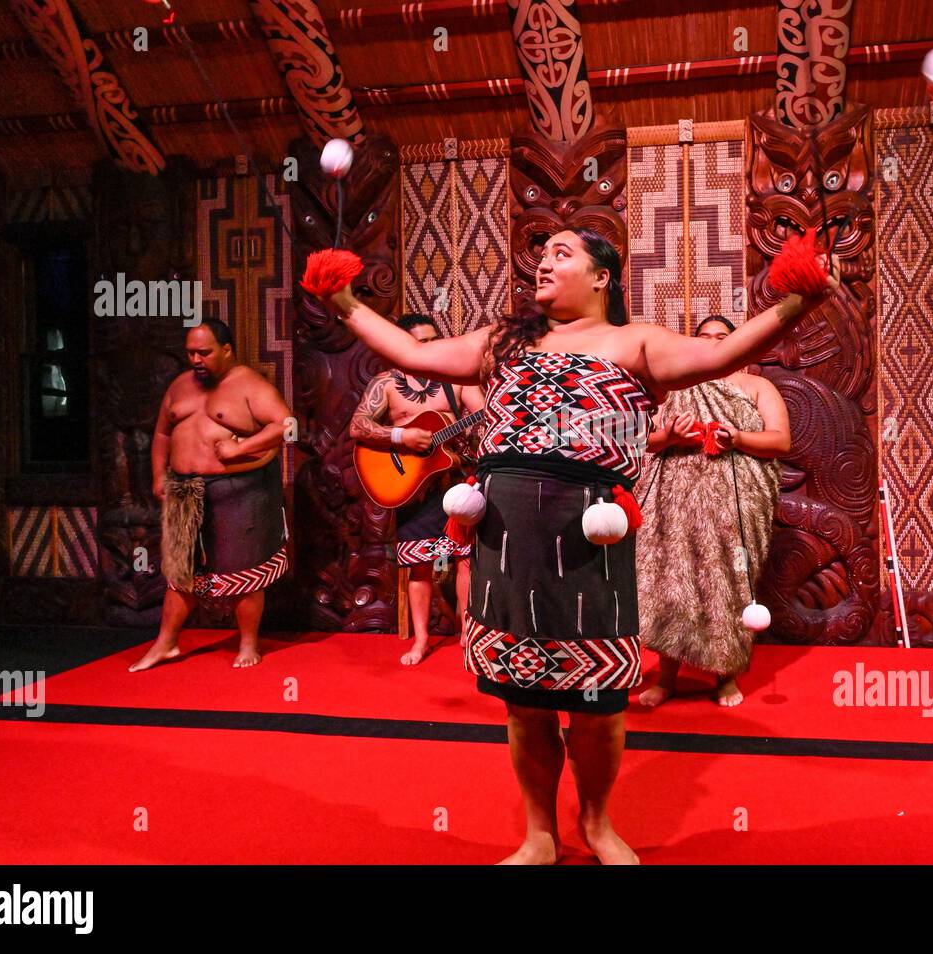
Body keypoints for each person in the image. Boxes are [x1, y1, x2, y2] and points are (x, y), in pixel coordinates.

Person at [312, 228, 835, 864]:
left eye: (563, 253)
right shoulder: (505, 341)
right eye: (542, 254)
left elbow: (719, 356)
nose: (544, 262)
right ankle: (538, 834)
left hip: (592, 529)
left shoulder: (635, 341)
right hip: (507, 531)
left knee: (597, 704)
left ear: (601, 276)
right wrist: (342, 301)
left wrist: (798, 302)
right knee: (524, 704)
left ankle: (596, 823)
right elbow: (412, 353)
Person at [636, 315, 790, 708]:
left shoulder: (757, 386)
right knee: (670, 582)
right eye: (702, 338)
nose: (711, 343)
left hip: (736, 501)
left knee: (730, 581)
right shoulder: (674, 387)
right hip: (675, 499)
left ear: (738, 346)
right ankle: (667, 677)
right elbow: (646, 443)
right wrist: (669, 437)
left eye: (721, 338)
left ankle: (725, 677)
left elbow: (780, 441)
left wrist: (736, 437)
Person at [130, 318, 293, 672]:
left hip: (239, 490)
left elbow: (286, 424)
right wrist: (159, 475)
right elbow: (161, 434)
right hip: (184, 490)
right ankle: (166, 643)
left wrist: (241, 448)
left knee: (244, 570)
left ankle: (248, 642)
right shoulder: (179, 386)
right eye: (190, 353)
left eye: (204, 352)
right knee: (180, 570)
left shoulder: (248, 383)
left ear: (226, 350)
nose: (196, 359)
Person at [348, 313, 482, 666]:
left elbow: (486, 415)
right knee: (419, 565)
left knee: (467, 560)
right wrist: (401, 435)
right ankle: (421, 639)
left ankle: (466, 633)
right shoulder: (386, 383)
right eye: (420, 343)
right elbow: (358, 427)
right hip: (410, 487)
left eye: (434, 340)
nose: (430, 348)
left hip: (455, 485)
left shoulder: (458, 381)